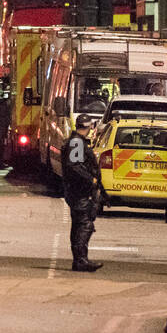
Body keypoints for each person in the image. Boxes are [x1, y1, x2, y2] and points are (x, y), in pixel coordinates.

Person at [62, 115, 104, 272]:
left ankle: (79, 260)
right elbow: (75, 166)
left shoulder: (76, 141)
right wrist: (91, 180)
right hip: (79, 191)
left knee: (79, 224)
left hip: (76, 190)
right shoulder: (77, 142)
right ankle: (81, 261)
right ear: (89, 127)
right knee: (84, 224)